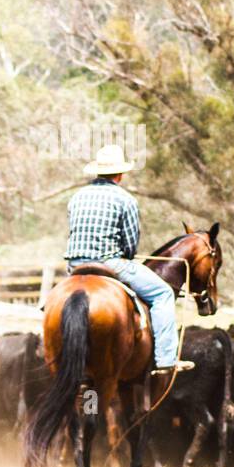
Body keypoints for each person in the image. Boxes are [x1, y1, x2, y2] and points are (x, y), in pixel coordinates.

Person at [63, 143, 193, 374]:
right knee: (162, 294)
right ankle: (166, 359)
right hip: (109, 262)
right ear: (120, 174)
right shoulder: (125, 199)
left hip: (75, 264)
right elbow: (130, 246)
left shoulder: (77, 196)